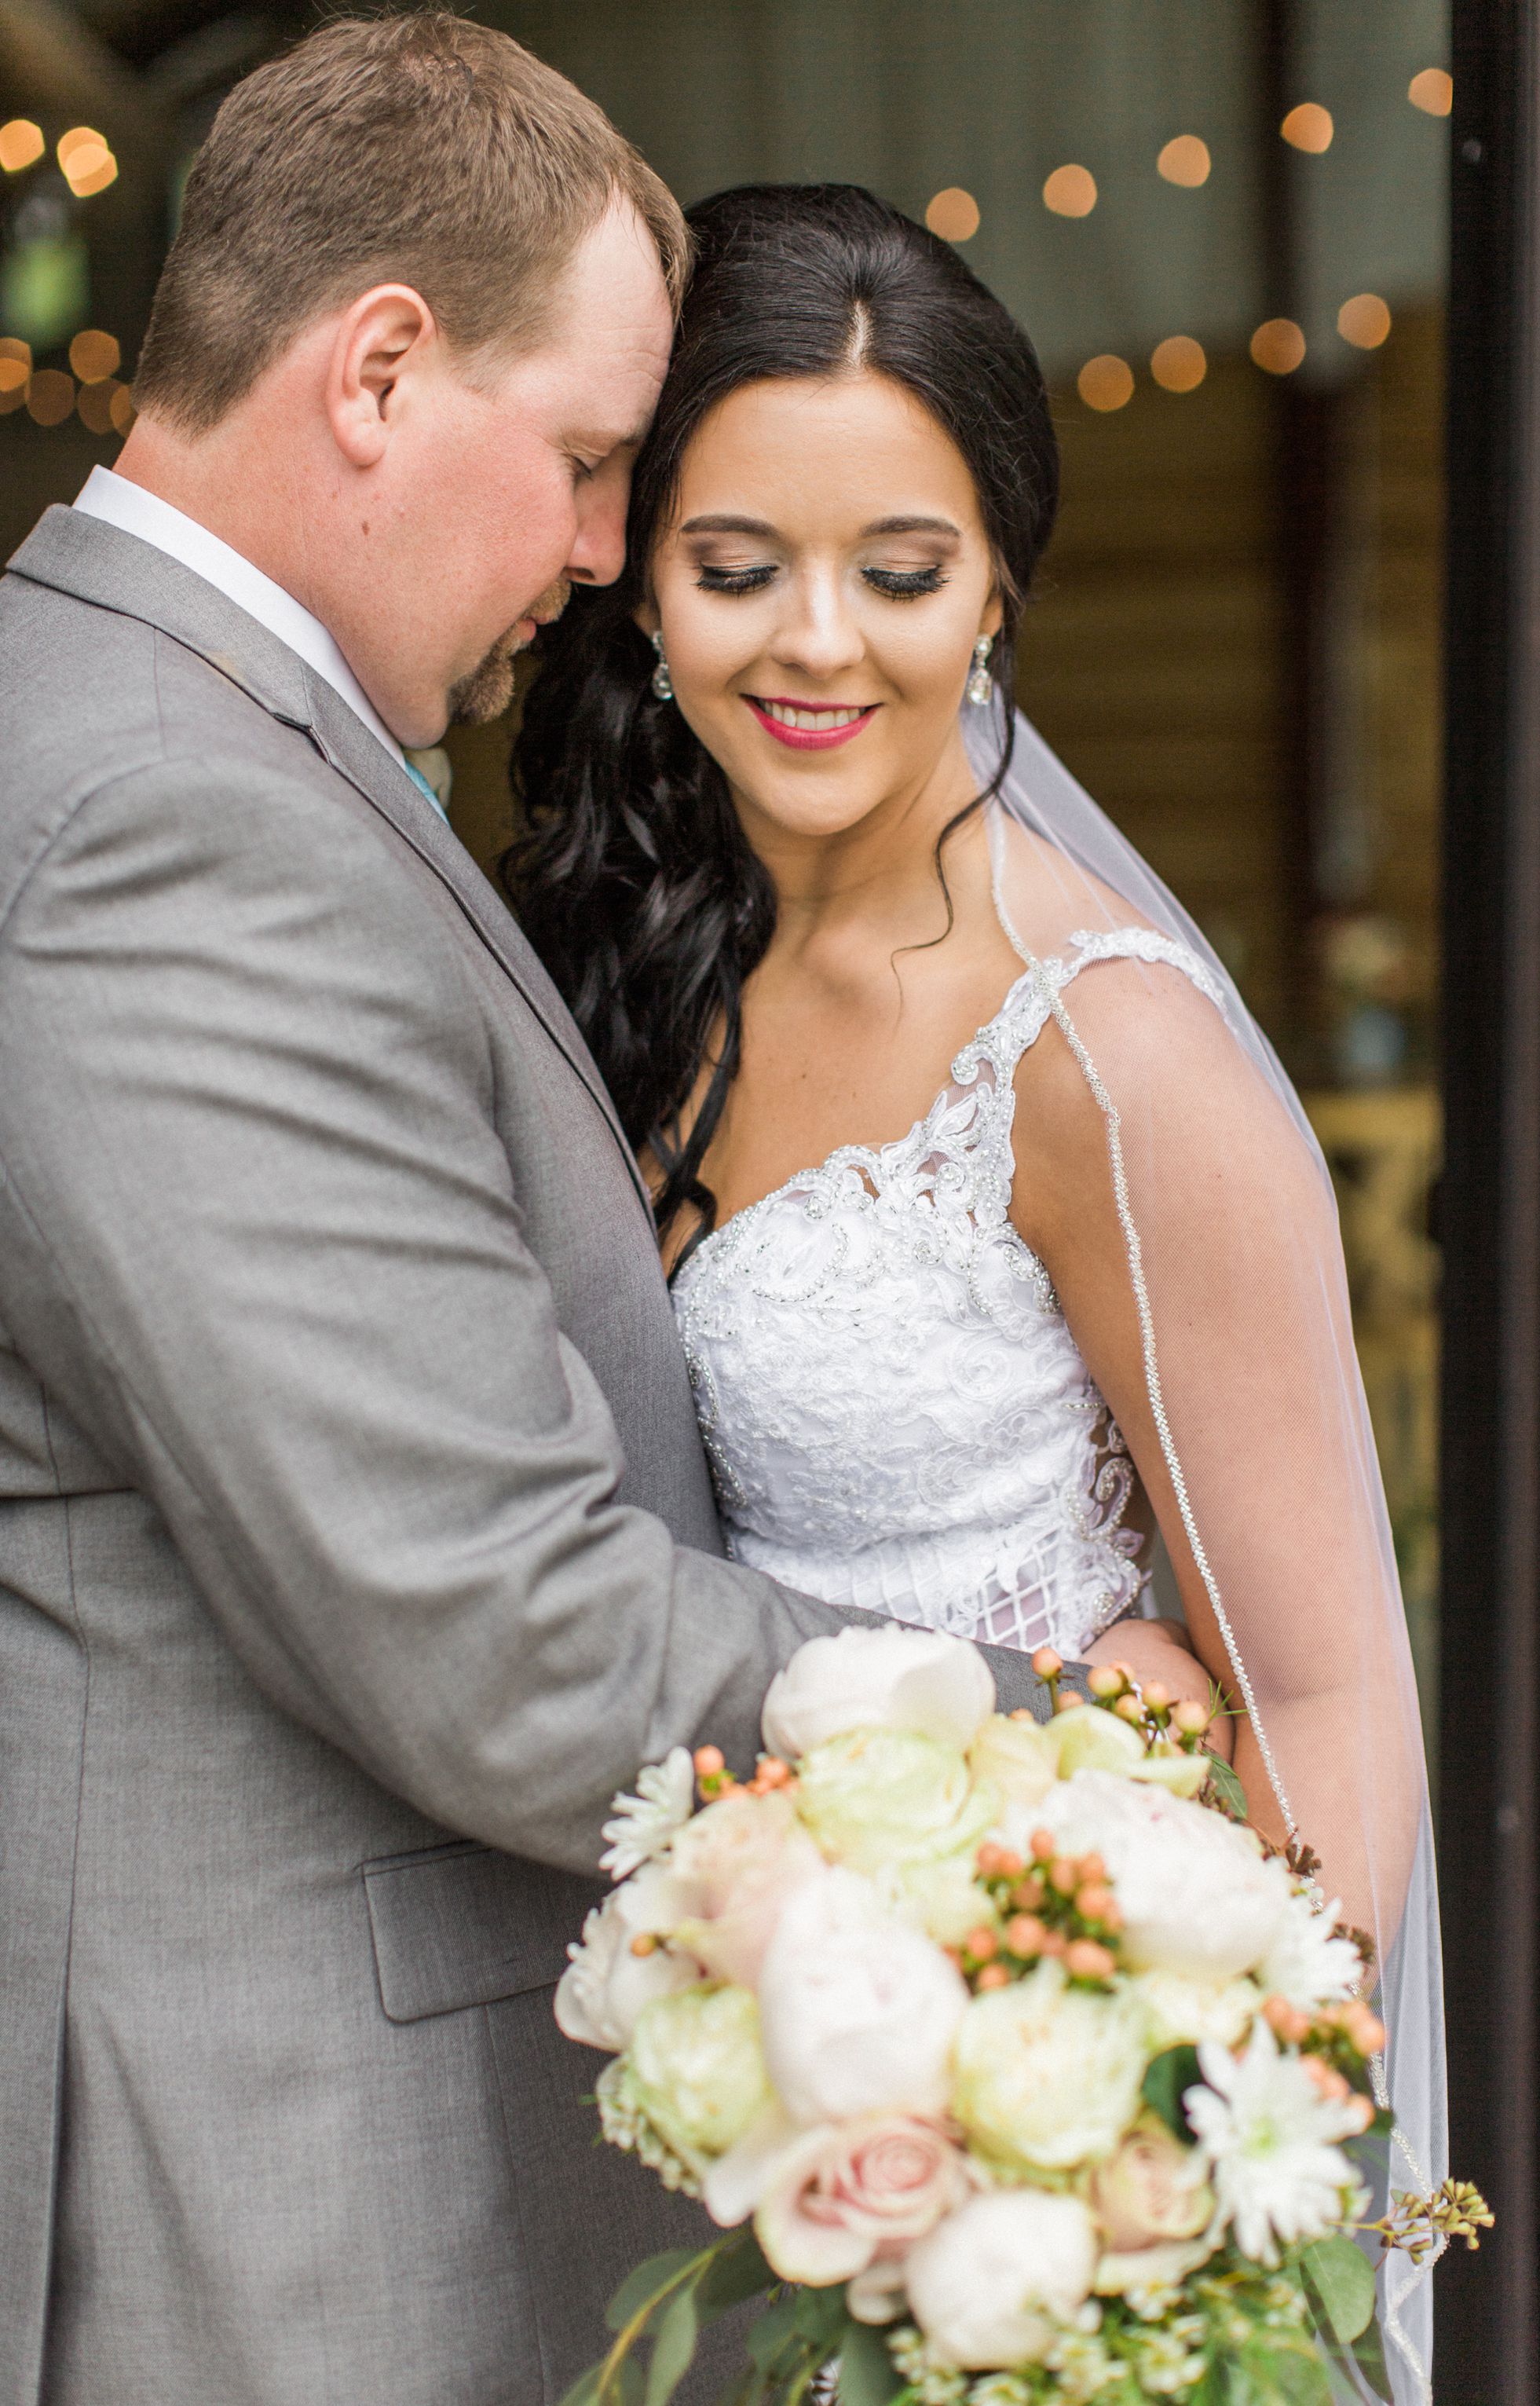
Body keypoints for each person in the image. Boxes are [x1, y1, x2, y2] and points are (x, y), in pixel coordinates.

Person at [0, 28, 1055, 2406]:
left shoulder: (162, 729)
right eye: (585, 461)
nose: (601, 555)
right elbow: (490, 1623)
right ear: (378, 370)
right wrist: (1052, 1732)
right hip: (271, 2219)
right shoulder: (174, 823)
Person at [509, 181, 1446, 2401]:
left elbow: (1324, 1695)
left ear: (1001, 581)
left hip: (1010, 2150)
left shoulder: (1103, 1056)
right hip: (709, 2091)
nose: (816, 644)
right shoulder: (634, 952)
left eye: (903, 572)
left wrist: (1162, 2211)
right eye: (739, 565)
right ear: (640, 574)